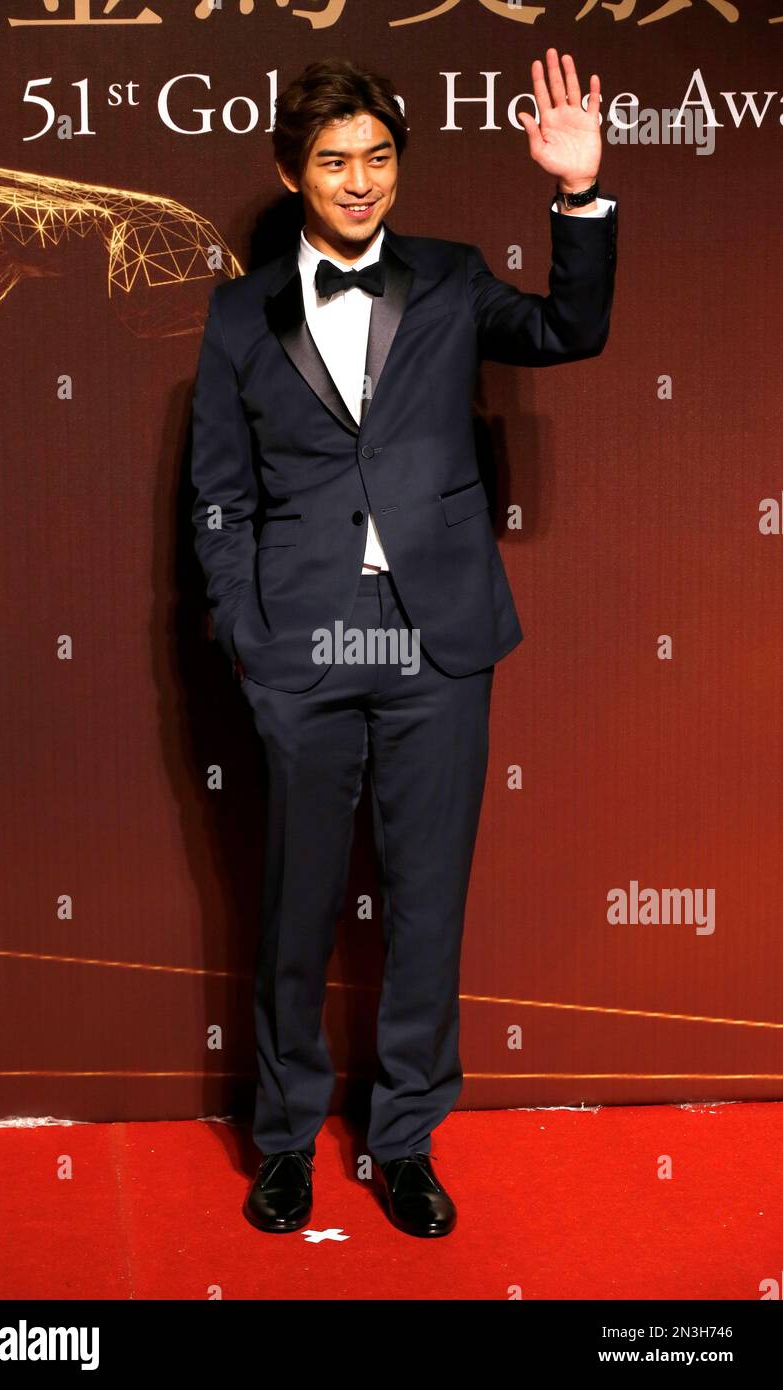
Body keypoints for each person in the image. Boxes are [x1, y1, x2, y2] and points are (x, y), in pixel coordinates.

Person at [190, 49, 617, 1238]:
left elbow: (569, 329)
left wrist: (576, 197)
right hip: (303, 645)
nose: (359, 180)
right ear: (291, 172)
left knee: (428, 902)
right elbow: (217, 495)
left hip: (437, 640)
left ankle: (406, 1140)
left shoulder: (451, 280)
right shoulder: (237, 316)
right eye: (333, 161)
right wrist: (245, 629)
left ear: (400, 168)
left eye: (378, 158)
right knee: (295, 904)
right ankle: (283, 1140)